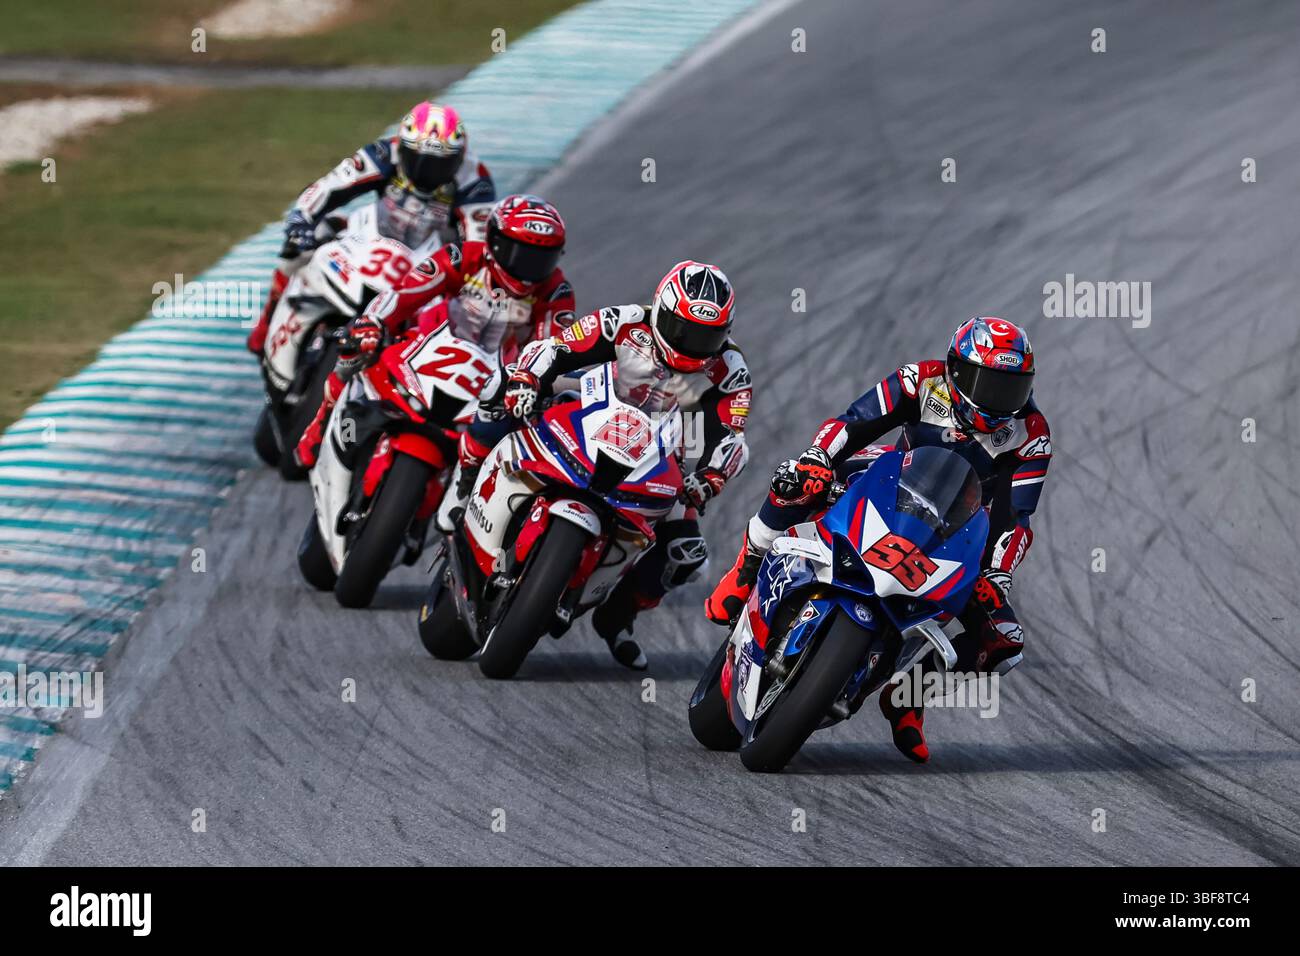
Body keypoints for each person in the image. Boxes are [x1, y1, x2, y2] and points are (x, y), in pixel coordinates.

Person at [706, 316, 1051, 762]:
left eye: (1012, 388)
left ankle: (908, 695)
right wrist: (817, 458)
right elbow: (854, 422)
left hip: (957, 526)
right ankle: (747, 565)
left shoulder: (1031, 434)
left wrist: (997, 575)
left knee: (1003, 638)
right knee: (797, 480)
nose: (1000, 400)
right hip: (889, 479)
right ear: (957, 371)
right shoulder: (922, 380)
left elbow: (1016, 517)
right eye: (989, 383)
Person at [440, 261, 754, 670]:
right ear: (660, 311)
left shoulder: (730, 372)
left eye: (706, 336)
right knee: (500, 387)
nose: (692, 345)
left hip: (660, 454)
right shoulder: (623, 322)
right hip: (588, 406)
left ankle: (616, 619)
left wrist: (709, 478)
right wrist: (527, 382)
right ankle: (466, 481)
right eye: (682, 331)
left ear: (725, 333)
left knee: (688, 553)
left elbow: (730, 436)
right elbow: (557, 348)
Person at [293, 195, 575, 468]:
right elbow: (405, 293)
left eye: (541, 259)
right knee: (356, 348)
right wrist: (375, 321)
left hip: (495, 371)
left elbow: (551, 348)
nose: (528, 269)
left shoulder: (556, 292)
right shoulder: (461, 256)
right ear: (494, 242)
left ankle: (464, 497)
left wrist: (534, 384)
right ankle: (320, 425)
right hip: (431, 338)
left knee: (522, 431)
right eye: (520, 254)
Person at [246, 101, 494, 355]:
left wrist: (472, 282)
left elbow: (478, 240)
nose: (426, 172)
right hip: (369, 236)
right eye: (417, 159)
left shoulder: (475, 180)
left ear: (459, 157)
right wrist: (302, 218)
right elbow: (331, 184)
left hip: (426, 257)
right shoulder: (385, 152)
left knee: (459, 311)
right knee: (303, 244)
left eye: (440, 164)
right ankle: (268, 318)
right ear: (403, 146)